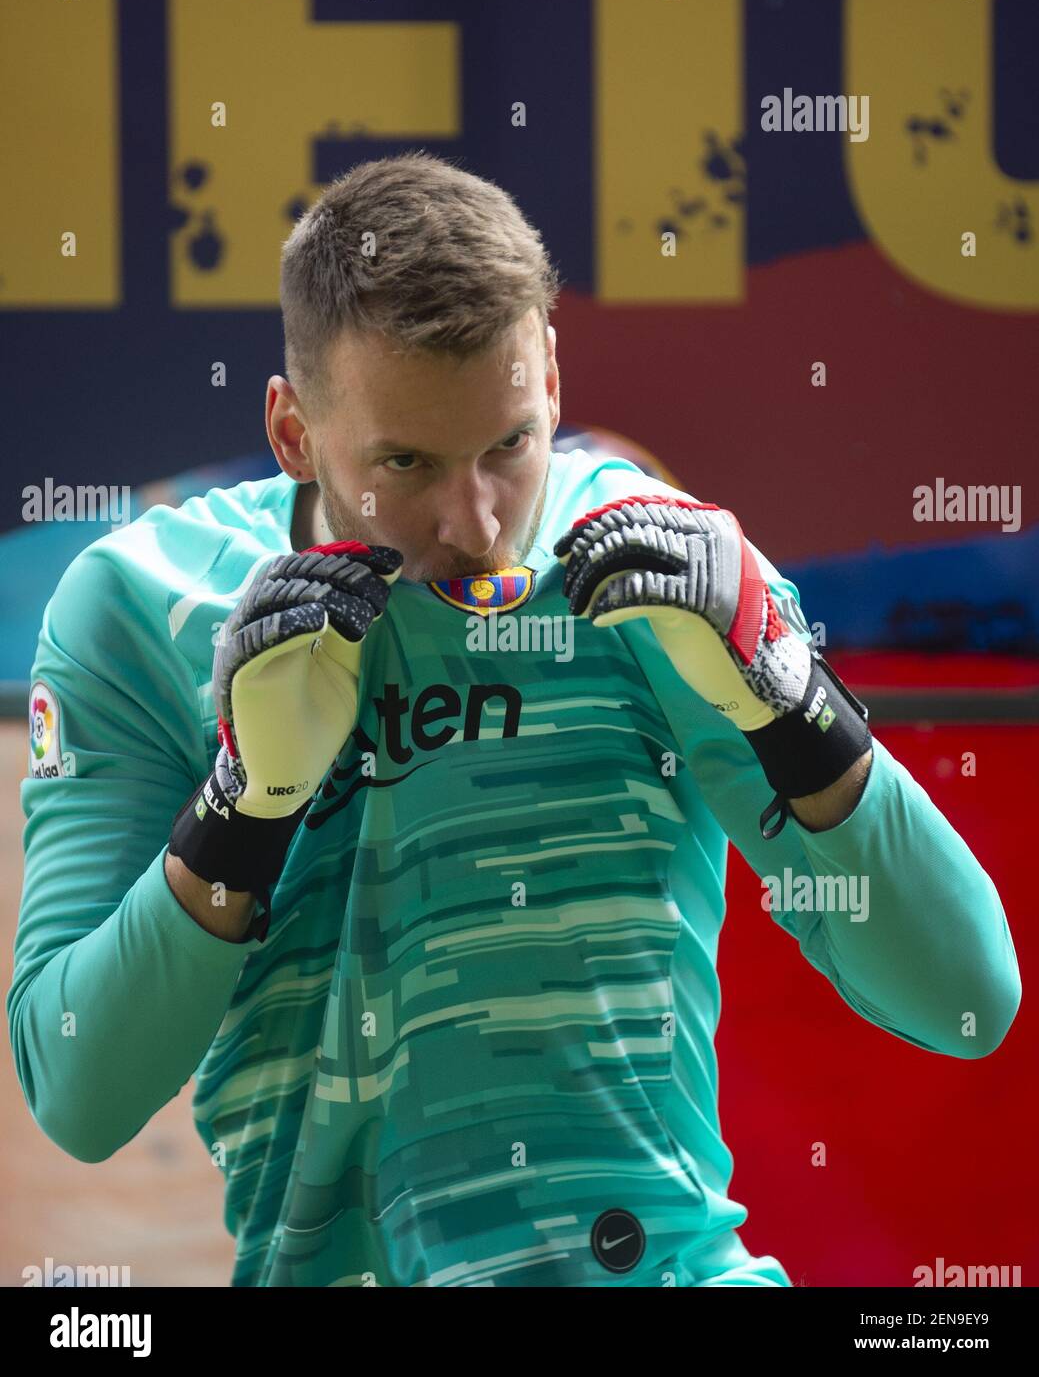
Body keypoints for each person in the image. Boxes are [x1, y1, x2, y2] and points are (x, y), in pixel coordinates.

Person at [8, 151, 1021, 1288]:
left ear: (548, 371)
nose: (476, 518)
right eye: (407, 463)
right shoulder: (140, 602)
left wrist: (795, 706)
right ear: (293, 432)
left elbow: (971, 1002)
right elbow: (76, 1092)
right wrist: (245, 809)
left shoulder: (668, 562)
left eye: (509, 443)